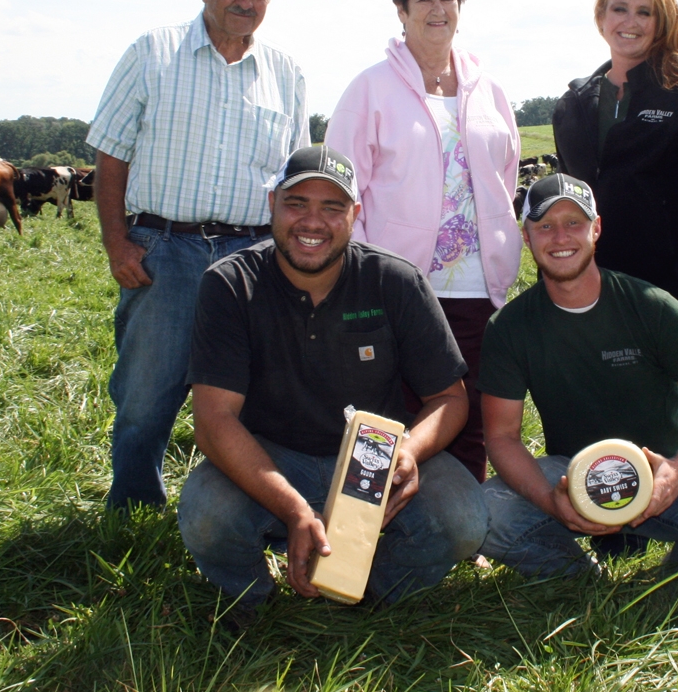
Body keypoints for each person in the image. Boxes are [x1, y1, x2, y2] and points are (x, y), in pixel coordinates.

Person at [177, 145, 488, 615]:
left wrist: (408, 452)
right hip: (273, 456)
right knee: (205, 516)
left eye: (332, 207)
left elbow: (450, 399)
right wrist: (295, 510)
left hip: (373, 459)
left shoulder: (395, 280)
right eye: (296, 203)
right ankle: (252, 602)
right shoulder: (230, 284)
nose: (312, 222)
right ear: (272, 206)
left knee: (466, 521)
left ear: (354, 215)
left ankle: (367, 589)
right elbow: (214, 421)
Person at [86, 0, 308, 509]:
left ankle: (249, 510)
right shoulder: (152, 53)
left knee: (255, 394)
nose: (245, 0)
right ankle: (134, 505)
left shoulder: (286, 73)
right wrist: (117, 242)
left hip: (252, 258)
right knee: (146, 390)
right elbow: (111, 152)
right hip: (166, 247)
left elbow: (294, 181)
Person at [477, 174, 678, 599]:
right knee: (482, 514)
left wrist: (676, 473)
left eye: (574, 223)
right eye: (544, 225)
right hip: (570, 474)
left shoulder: (650, 305)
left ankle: (674, 592)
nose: (560, 237)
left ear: (596, 228)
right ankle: (580, 582)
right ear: (526, 236)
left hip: (662, 470)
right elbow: (501, 437)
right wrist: (549, 499)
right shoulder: (509, 327)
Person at [550, 0, 678, 559]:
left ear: (662, 21)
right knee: (613, 408)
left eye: (643, 11)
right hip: (598, 291)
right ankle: (618, 535)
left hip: (672, 292)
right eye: (619, 9)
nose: (629, 22)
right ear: (600, 17)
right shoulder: (576, 103)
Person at [325, 0, 521, 483]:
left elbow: (506, 178)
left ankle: (463, 526)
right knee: (399, 408)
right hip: (399, 285)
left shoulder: (490, 91)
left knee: (473, 406)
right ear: (402, 10)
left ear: (461, 6)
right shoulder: (369, 89)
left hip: (477, 286)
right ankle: (376, 524)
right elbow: (342, 190)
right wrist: (360, 275)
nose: (438, 9)